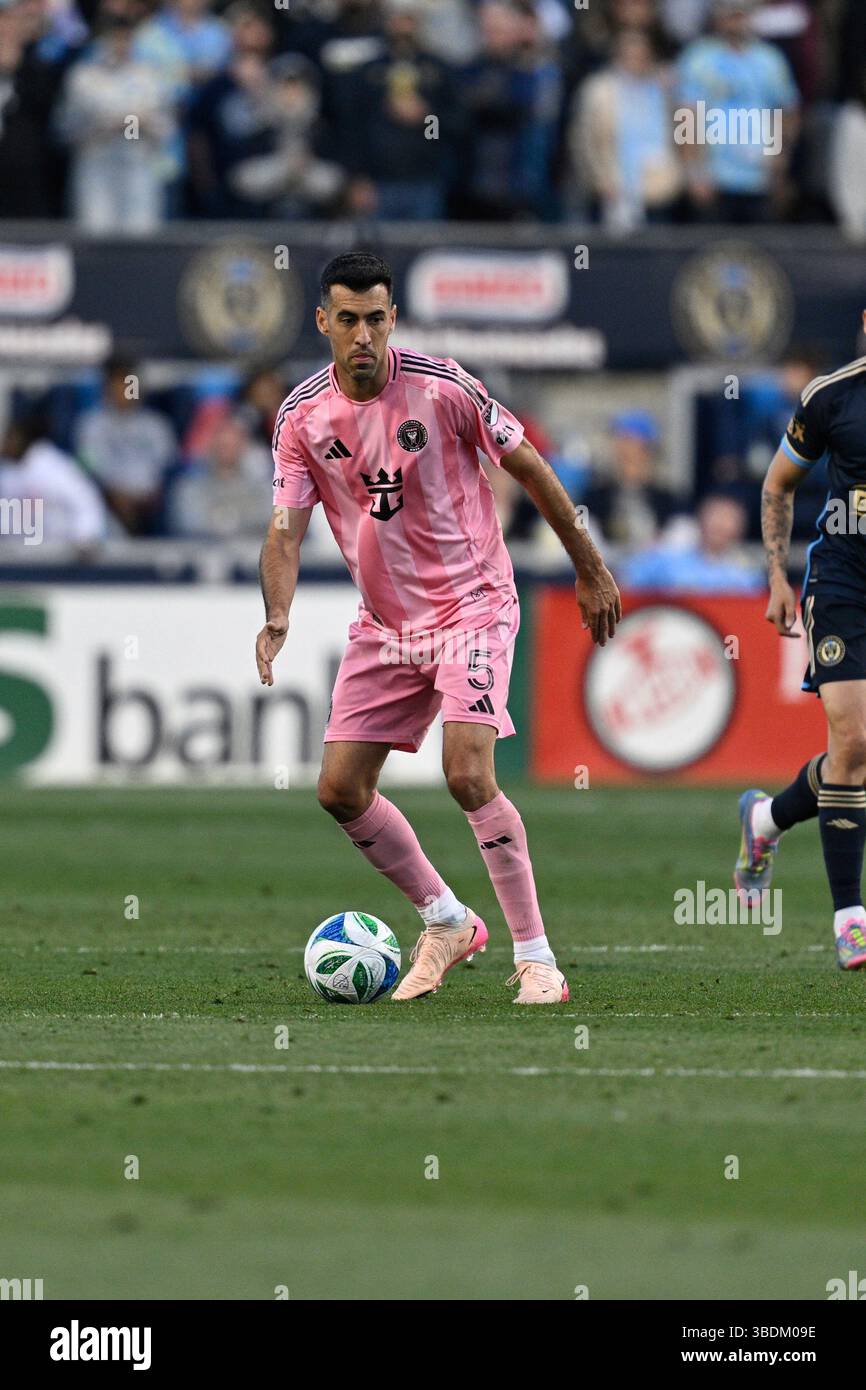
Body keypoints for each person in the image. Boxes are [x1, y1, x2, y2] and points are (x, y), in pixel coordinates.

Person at [256, 251, 621, 1004]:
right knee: (339, 789)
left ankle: (537, 959)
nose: (363, 335)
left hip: (471, 606)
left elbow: (533, 470)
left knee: (466, 771)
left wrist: (589, 566)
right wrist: (278, 613)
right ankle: (448, 919)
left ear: (394, 320)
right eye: (347, 319)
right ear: (324, 321)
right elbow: (286, 529)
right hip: (386, 623)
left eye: (376, 319)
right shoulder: (301, 416)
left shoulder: (445, 386)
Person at [735, 319, 866, 969]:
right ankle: (851, 920)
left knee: (855, 755)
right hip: (843, 586)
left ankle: (766, 819)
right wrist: (777, 577)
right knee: (855, 743)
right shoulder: (831, 397)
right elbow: (778, 484)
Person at [676, 0, 799, 223]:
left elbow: (785, 114)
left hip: (759, 179)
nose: (734, 20)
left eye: (740, 13)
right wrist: (695, 174)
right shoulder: (698, 58)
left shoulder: (770, 60)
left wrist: (779, 165)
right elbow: (687, 119)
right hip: (715, 179)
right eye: (729, 13)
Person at [74, 354, 177, 534]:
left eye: (129, 384)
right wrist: (112, 493)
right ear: (107, 389)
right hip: (109, 498)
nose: (124, 390)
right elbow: (87, 465)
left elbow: (168, 464)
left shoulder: (156, 424)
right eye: (118, 384)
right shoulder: (91, 424)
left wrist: (150, 493)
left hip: (150, 501)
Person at [0, 411, 108, 548]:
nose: (5, 443)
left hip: (57, 557)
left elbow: (86, 501)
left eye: (10, 437)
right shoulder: (6, 471)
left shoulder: (53, 467)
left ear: (23, 438)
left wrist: (85, 536)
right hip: (15, 558)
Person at [619, 491, 762, 592]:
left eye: (729, 519)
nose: (720, 525)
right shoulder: (668, 558)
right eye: (715, 516)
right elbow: (627, 581)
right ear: (701, 517)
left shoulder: (745, 574)